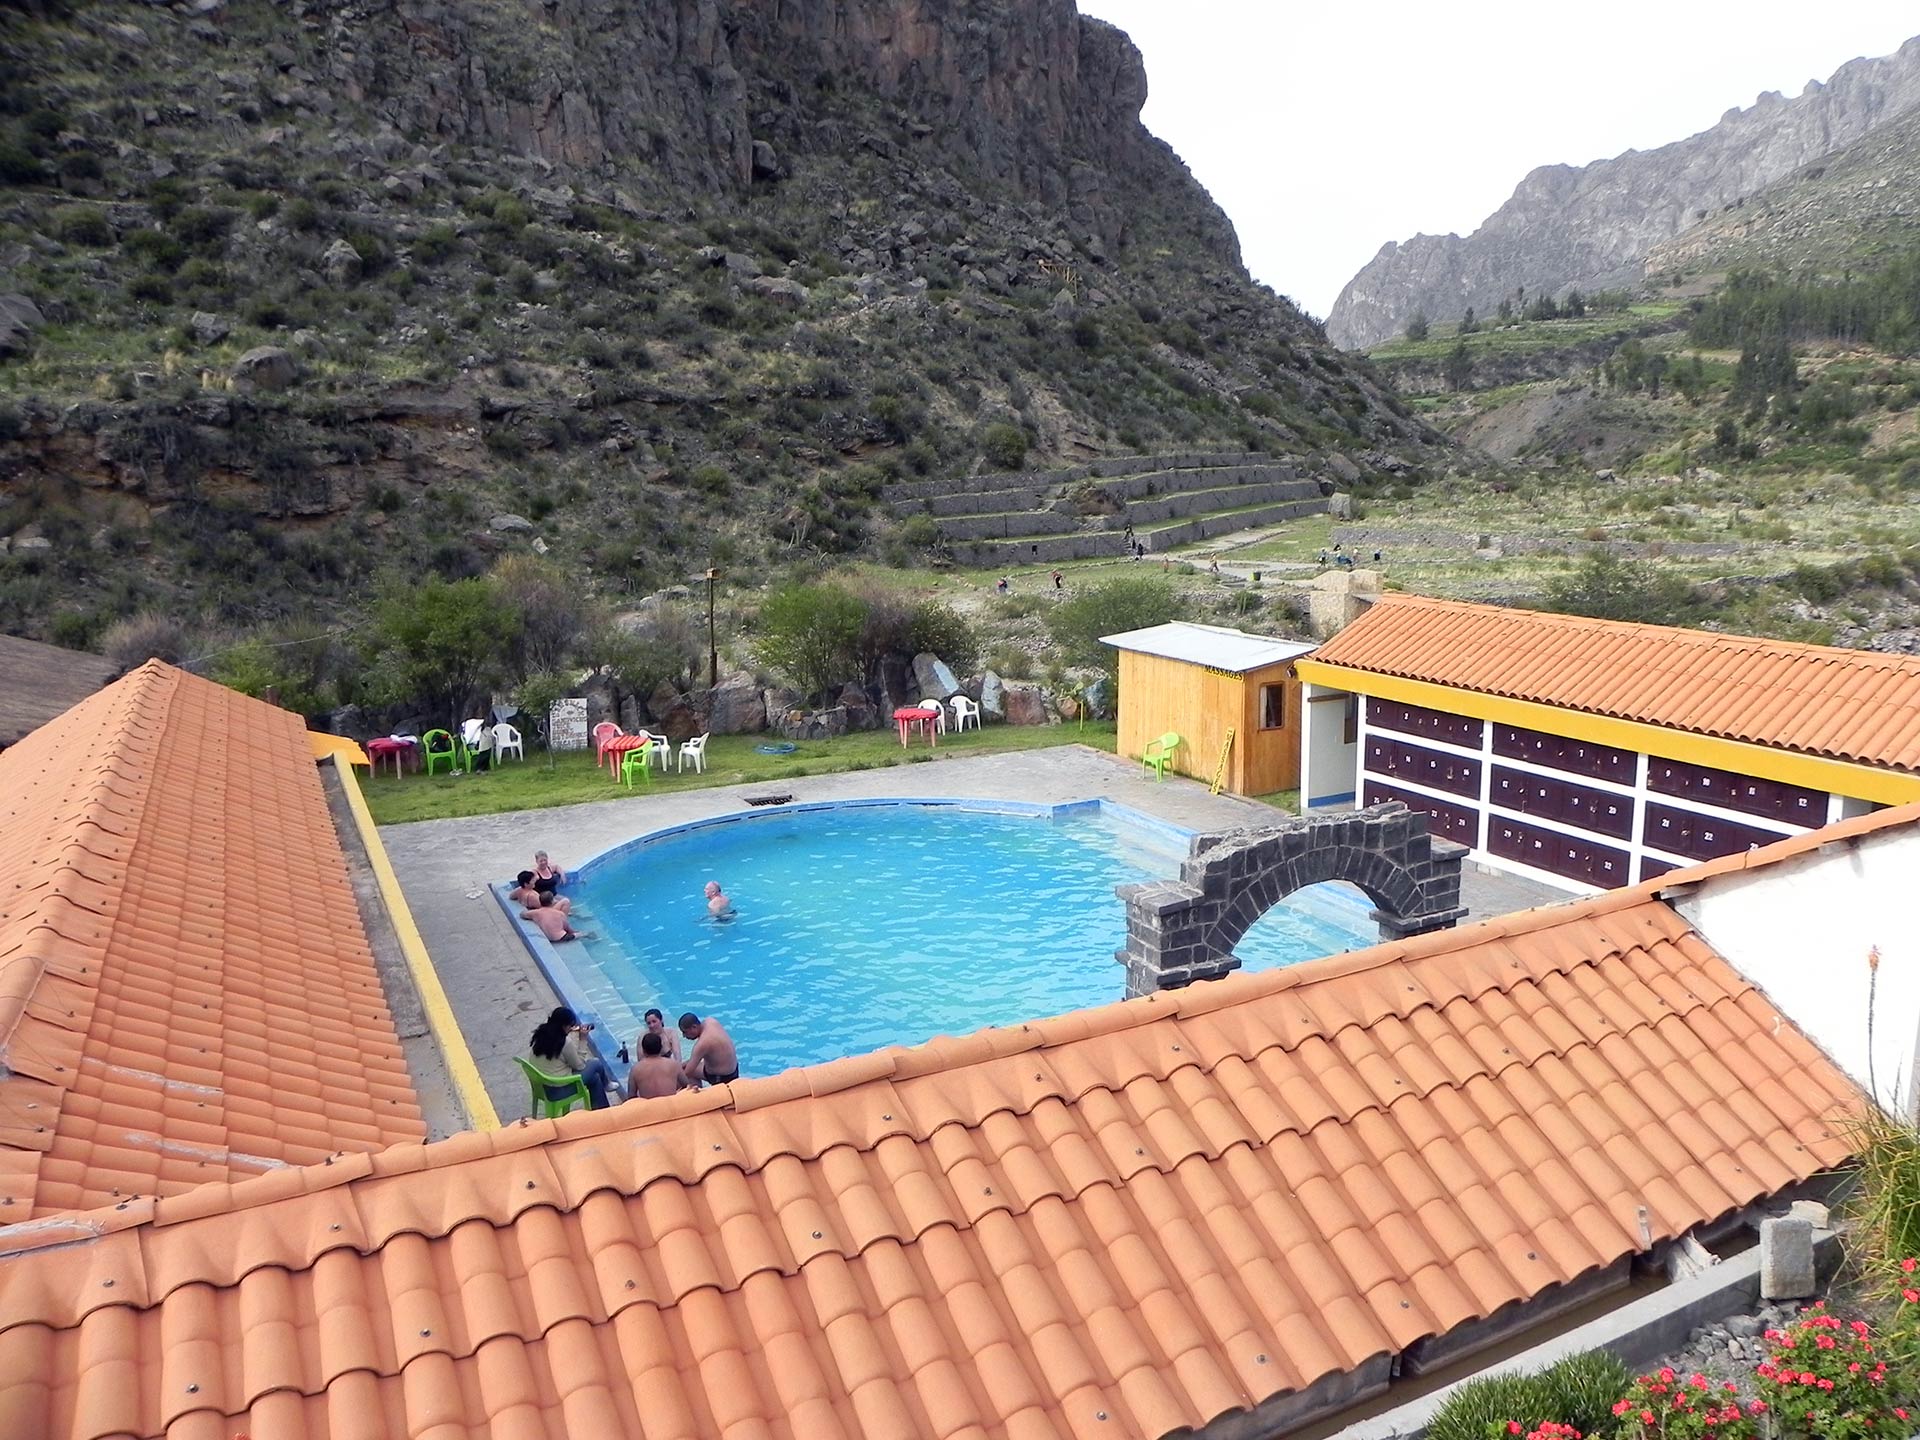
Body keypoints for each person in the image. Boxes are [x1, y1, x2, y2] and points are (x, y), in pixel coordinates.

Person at [529, 1005, 613, 1108]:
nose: (571, 1028)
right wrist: (583, 1039)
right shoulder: (564, 1043)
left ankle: (602, 1110)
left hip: (542, 1085)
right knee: (596, 1063)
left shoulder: (542, 1033)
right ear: (564, 1026)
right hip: (557, 1089)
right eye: (570, 1026)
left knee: (595, 1078)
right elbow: (580, 1066)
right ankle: (607, 1085)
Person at [680, 1012, 740, 1086]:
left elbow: (687, 1072)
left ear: (694, 1027)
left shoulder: (702, 1043)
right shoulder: (711, 1021)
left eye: (685, 1032)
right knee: (685, 1066)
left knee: (683, 1074)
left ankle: (697, 1094)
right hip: (734, 1071)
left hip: (721, 1078)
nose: (684, 1036)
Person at [626, 1031, 688, 1100]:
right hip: (670, 1105)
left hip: (650, 1107)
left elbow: (631, 1096)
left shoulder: (635, 1069)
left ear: (643, 1050)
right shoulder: (674, 1064)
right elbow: (687, 1086)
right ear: (661, 1048)